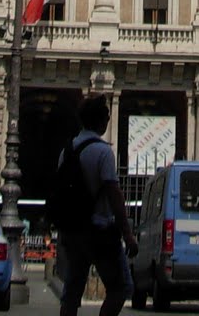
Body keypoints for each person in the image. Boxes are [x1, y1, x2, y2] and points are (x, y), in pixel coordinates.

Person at [57, 95, 138, 316]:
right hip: (100, 230)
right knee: (120, 288)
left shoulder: (68, 151)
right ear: (101, 121)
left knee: (72, 292)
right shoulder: (103, 152)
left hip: (73, 230)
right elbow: (113, 193)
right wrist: (127, 234)